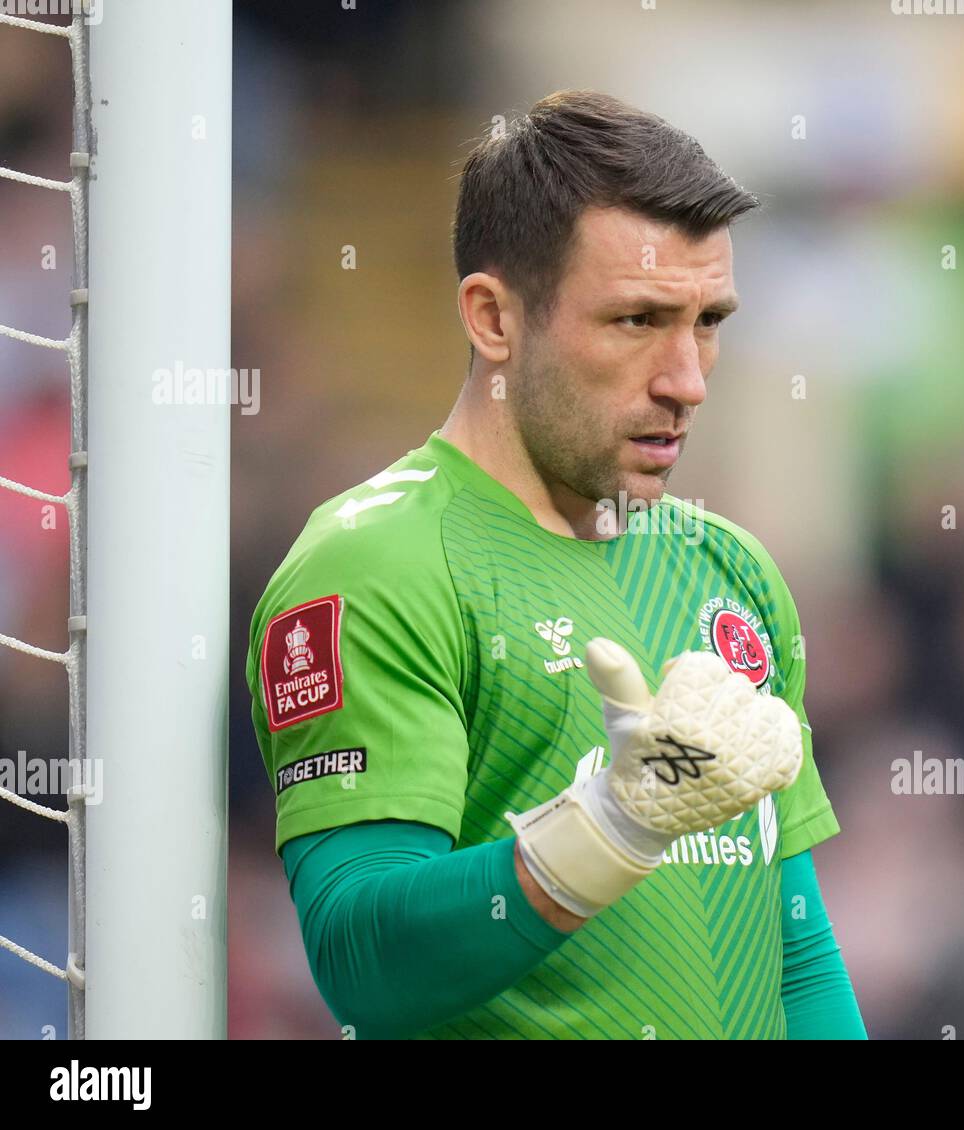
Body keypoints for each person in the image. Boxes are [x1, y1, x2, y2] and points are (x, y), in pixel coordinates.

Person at [246, 89, 866, 1040]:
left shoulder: (728, 570)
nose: (688, 380)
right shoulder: (375, 564)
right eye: (636, 321)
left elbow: (800, 958)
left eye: (708, 321)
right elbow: (360, 959)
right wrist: (606, 831)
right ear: (494, 318)